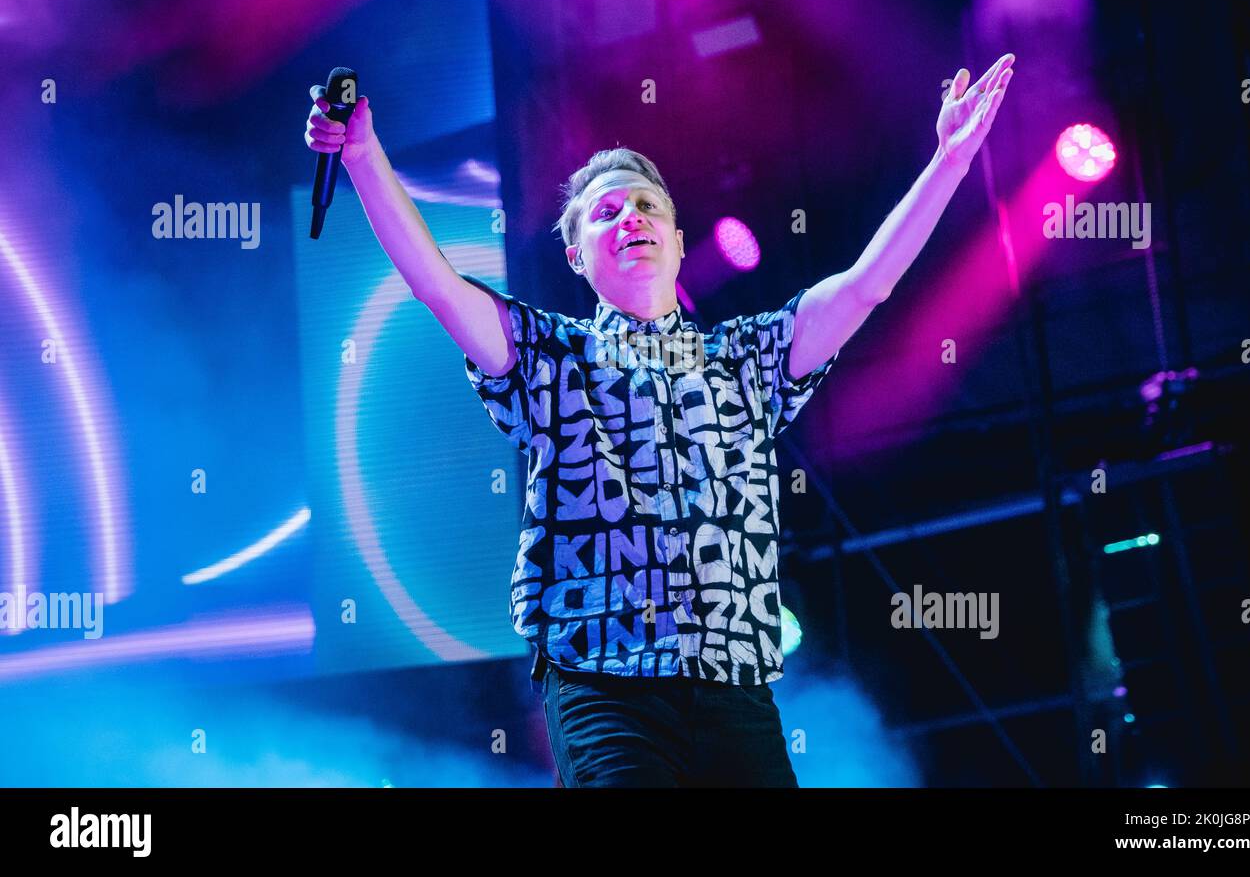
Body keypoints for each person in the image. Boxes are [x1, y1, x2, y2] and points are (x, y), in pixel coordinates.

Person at [303, 53, 1014, 786]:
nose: (630, 217)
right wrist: (362, 156)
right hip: (604, 684)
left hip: (735, 684)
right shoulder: (554, 356)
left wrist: (950, 161)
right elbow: (440, 289)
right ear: (578, 258)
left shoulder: (748, 358)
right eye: (607, 212)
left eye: (646, 206)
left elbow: (867, 286)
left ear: (677, 240)